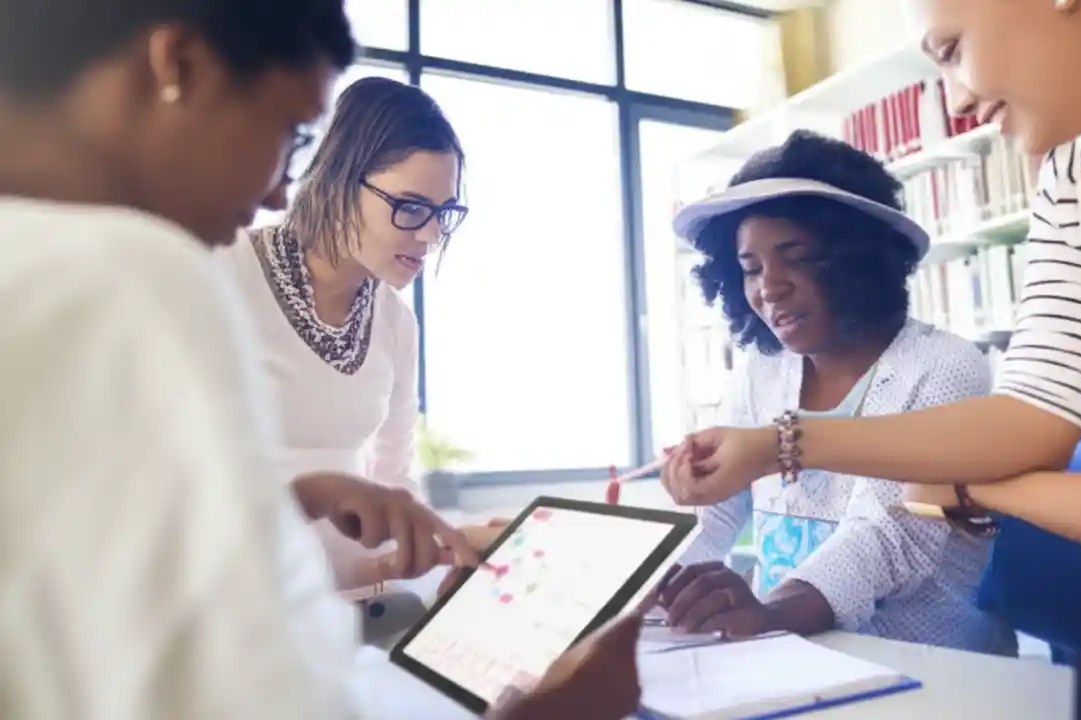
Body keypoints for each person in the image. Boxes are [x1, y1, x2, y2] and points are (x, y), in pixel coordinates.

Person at [0, 1, 640, 718]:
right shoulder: (153, 270)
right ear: (177, 68)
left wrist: (298, 500)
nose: (278, 187)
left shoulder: (55, 265)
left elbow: (99, 549)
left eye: (442, 215)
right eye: (288, 131)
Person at [660, 0, 1081, 600]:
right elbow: (1032, 416)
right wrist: (776, 445)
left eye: (952, 51)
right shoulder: (1074, 175)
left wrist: (981, 490)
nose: (955, 100)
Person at [654, 131, 1014, 654]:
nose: (769, 287)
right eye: (750, 269)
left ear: (857, 259)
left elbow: (892, 538)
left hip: (926, 668)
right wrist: (650, 587)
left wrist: (770, 612)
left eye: (795, 258)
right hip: (792, 654)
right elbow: (714, 520)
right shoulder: (763, 370)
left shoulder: (945, 367)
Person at [220, 76, 468, 591]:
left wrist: (436, 548)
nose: (429, 235)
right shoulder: (227, 271)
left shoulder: (396, 322)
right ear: (340, 178)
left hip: (352, 605)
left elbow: (393, 481)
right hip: (235, 606)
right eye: (411, 207)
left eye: (443, 214)